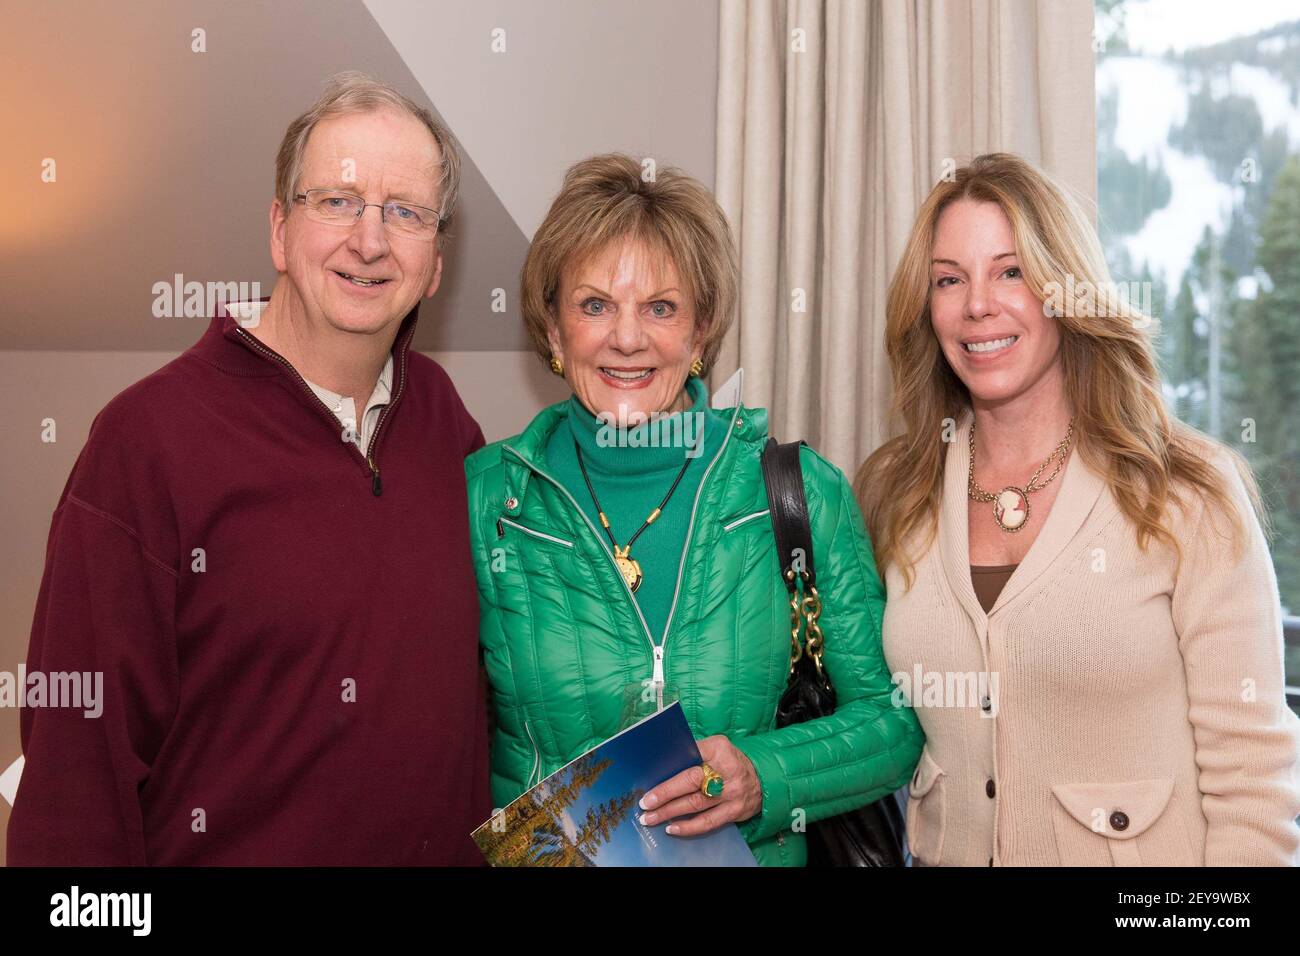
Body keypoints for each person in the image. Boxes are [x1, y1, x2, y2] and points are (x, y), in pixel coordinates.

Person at [7, 72, 489, 865]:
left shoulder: (444, 420)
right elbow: (72, 789)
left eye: (405, 213)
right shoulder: (145, 443)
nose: (369, 240)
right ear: (278, 230)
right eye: (336, 200)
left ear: (435, 263)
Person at [466, 153, 923, 866]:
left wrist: (765, 775)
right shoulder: (487, 501)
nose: (627, 338)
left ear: (700, 333)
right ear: (553, 332)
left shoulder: (799, 495)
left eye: (661, 308)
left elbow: (892, 725)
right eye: (594, 306)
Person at [857, 152, 1300, 866]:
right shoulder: (894, 490)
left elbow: (1256, 784)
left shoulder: (1187, 493)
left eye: (1012, 271)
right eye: (949, 279)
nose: (978, 304)